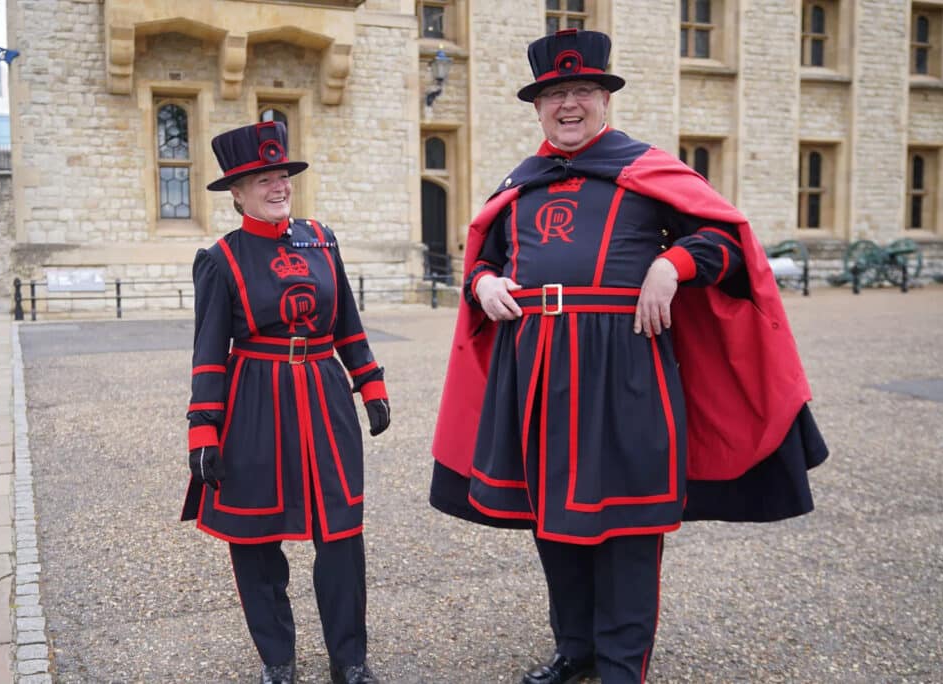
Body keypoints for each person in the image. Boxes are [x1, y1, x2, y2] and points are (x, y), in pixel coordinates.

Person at [429, 29, 828, 684]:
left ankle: (621, 666)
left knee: (628, 531)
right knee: (552, 523)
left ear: (604, 98)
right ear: (537, 106)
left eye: (581, 90)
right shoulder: (520, 185)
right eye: (554, 94)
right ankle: (576, 649)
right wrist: (482, 283)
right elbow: (488, 258)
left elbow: (726, 247)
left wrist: (673, 263)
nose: (568, 105)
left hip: (628, 375)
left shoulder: (647, 171)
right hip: (536, 377)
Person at [180, 121, 390, 684]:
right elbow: (208, 352)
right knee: (254, 538)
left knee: (342, 534)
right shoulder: (220, 259)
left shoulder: (322, 238)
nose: (276, 186)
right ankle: (278, 659)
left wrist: (370, 380)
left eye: (282, 175)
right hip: (254, 403)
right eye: (261, 179)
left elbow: (346, 318)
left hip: (325, 399)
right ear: (236, 192)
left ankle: (349, 660)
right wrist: (203, 428)